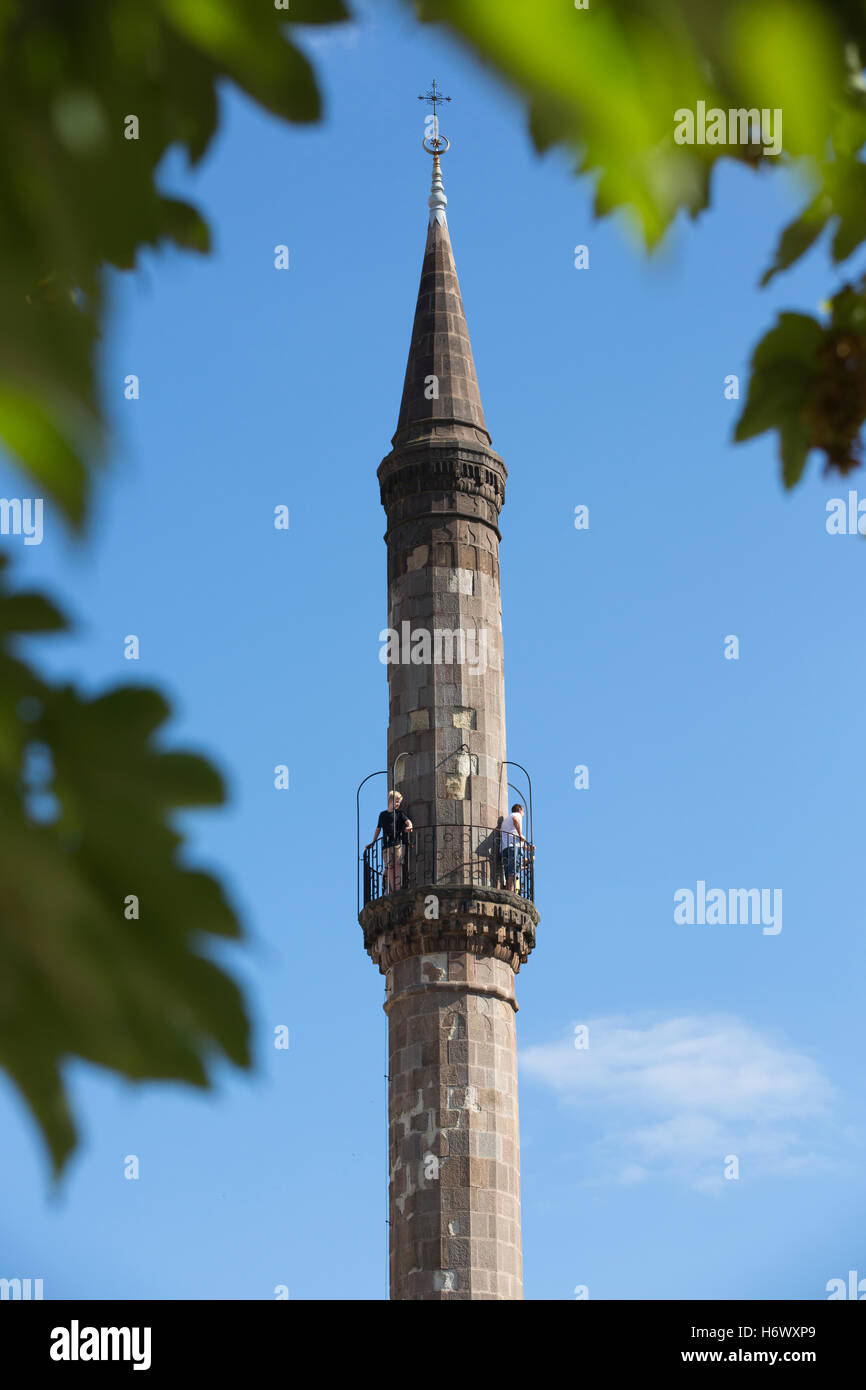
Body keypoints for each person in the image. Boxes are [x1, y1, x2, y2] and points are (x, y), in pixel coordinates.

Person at [367, 791, 413, 893]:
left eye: (399, 802)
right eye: (396, 801)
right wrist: (373, 842)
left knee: (397, 866)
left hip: (398, 844)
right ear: (390, 800)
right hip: (386, 845)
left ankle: (397, 888)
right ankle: (392, 889)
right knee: (390, 867)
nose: (398, 804)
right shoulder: (382, 815)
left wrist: (410, 826)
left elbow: (408, 821)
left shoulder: (400, 813)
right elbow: (378, 829)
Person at [500, 802, 526, 893]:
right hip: (513, 846)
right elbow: (516, 820)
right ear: (520, 810)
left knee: (508, 870)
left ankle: (508, 889)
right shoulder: (516, 815)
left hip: (505, 847)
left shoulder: (507, 819)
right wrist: (520, 835)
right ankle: (510, 891)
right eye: (523, 812)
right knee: (513, 869)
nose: (523, 814)